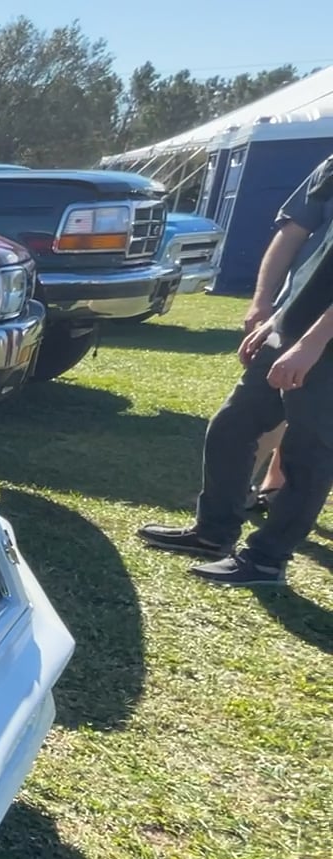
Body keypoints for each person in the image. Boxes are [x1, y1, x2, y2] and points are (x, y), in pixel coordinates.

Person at [139, 153, 333, 586]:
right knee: (232, 424)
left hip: (324, 341)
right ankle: (213, 533)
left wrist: (313, 342)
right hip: (292, 323)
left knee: (309, 451)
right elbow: (300, 241)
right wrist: (271, 310)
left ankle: (266, 560)